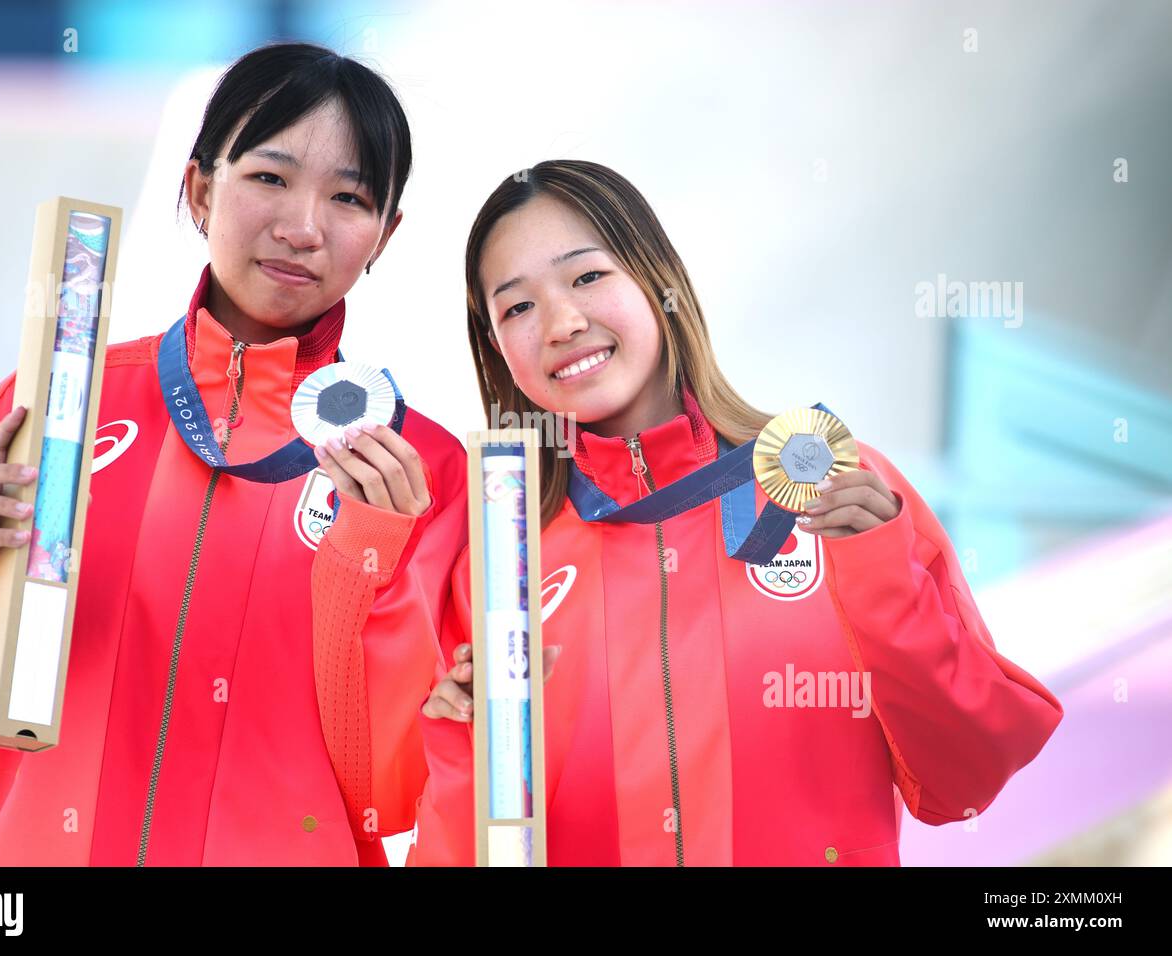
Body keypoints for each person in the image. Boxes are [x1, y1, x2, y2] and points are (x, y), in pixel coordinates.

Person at [0, 41, 466, 866]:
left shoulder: (420, 472)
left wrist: (367, 556)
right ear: (199, 189)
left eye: (349, 197)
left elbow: (391, 798)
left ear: (385, 235)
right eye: (269, 177)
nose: (302, 227)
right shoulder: (54, 407)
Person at [403, 159, 1063, 865]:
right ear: (496, 347)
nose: (562, 323)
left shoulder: (834, 486)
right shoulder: (501, 568)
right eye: (517, 308)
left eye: (587, 276)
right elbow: (479, 851)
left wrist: (882, 581)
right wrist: (465, 744)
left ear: (658, 278)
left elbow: (966, 780)